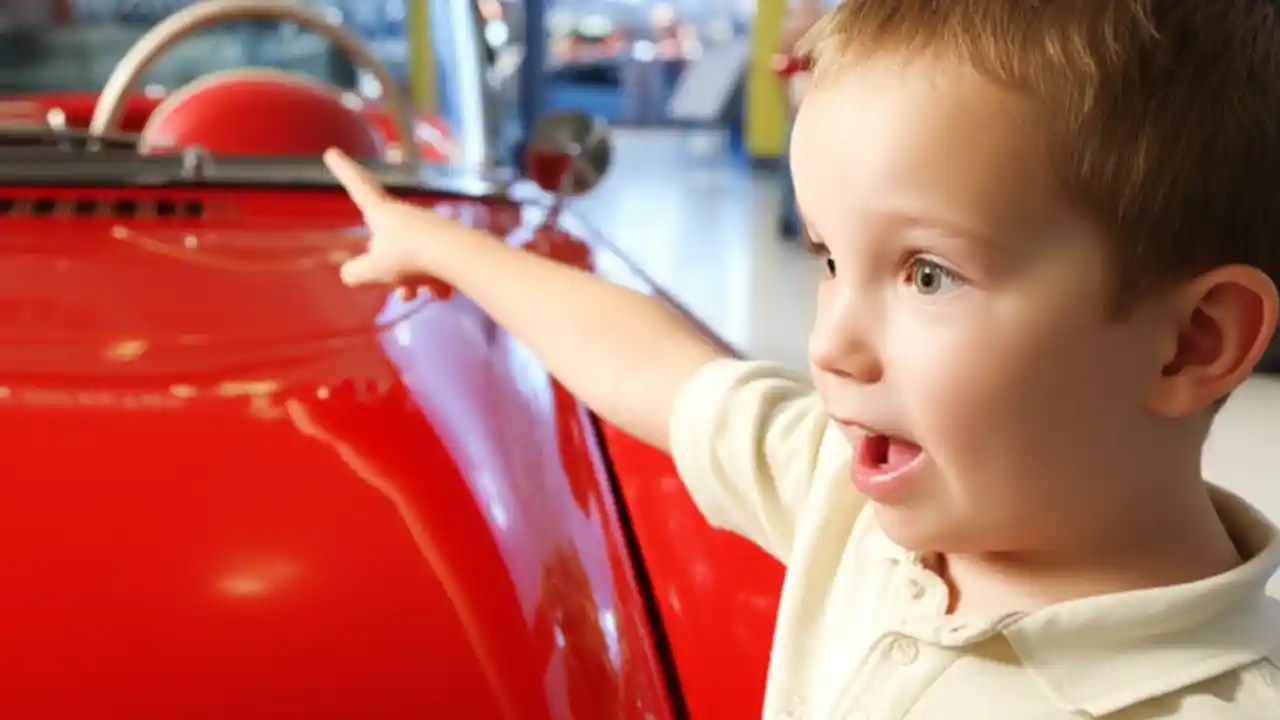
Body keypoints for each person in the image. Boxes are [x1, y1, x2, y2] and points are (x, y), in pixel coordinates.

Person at [322, 0, 1280, 716]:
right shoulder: (849, 499)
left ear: (1193, 342)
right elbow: (653, 368)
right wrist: (440, 246)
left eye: (929, 275)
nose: (829, 343)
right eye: (827, 258)